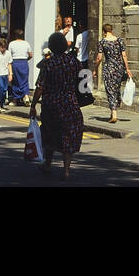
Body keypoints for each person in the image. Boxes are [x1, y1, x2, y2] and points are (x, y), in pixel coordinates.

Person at [32, 31, 84, 179]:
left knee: (49, 134)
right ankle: (66, 170)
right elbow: (82, 82)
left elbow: (40, 87)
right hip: (70, 104)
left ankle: (47, 165)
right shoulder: (75, 62)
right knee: (68, 136)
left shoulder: (48, 64)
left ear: (52, 47)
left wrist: (33, 105)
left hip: (51, 105)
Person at [94, 23, 131, 124]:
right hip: (119, 68)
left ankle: (114, 113)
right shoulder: (119, 40)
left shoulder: (102, 42)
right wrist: (127, 69)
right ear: (112, 30)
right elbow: (124, 55)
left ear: (104, 32)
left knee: (110, 90)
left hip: (109, 68)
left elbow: (99, 58)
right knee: (116, 88)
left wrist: (95, 69)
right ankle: (115, 106)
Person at [7, 28, 33, 106]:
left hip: (15, 62)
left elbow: (9, 55)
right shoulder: (26, 44)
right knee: (24, 81)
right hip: (24, 62)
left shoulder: (12, 44)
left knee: (15, 81)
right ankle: (26, 97)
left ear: (15, 36)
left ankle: (15, 100)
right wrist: (26, 59)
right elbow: (31, 55)